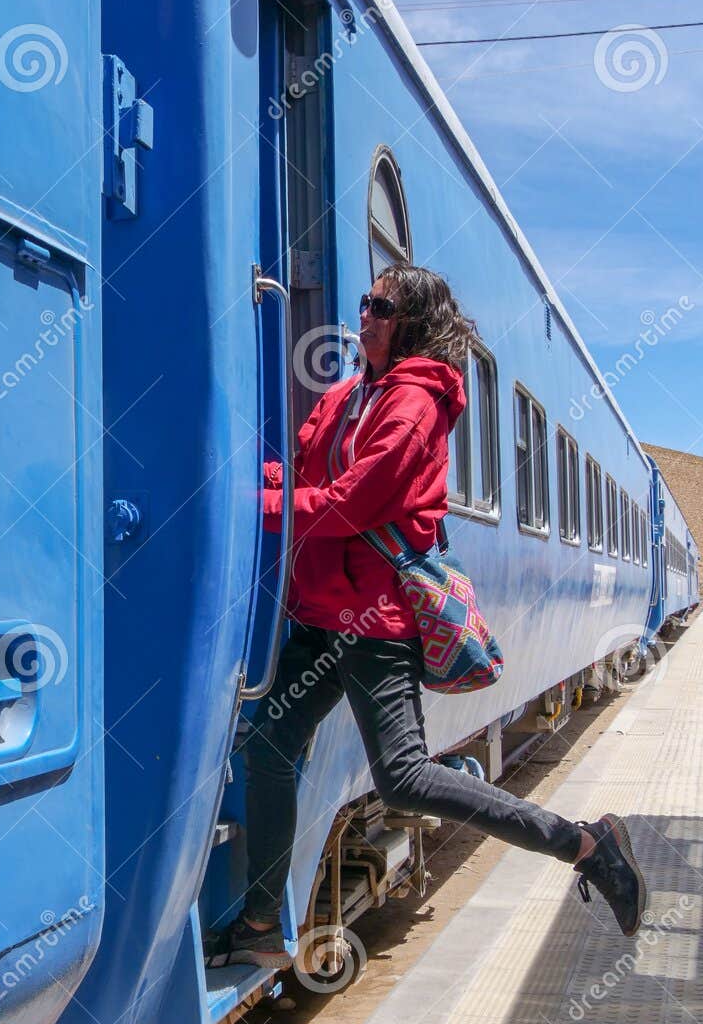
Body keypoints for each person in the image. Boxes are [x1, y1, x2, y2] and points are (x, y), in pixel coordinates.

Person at [205, 265, 647, 970]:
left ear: (411, 322)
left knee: (404, 777)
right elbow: (303, 471)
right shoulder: (351, 394)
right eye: (365, 303)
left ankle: (586, 844)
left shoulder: (415, 404)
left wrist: (253, 510)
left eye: (381, 306)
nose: (366, 315)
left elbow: (352, 504)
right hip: (321, 613)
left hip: (375, 621)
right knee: (270, 743)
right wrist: (225, 478)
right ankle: (260, 925)